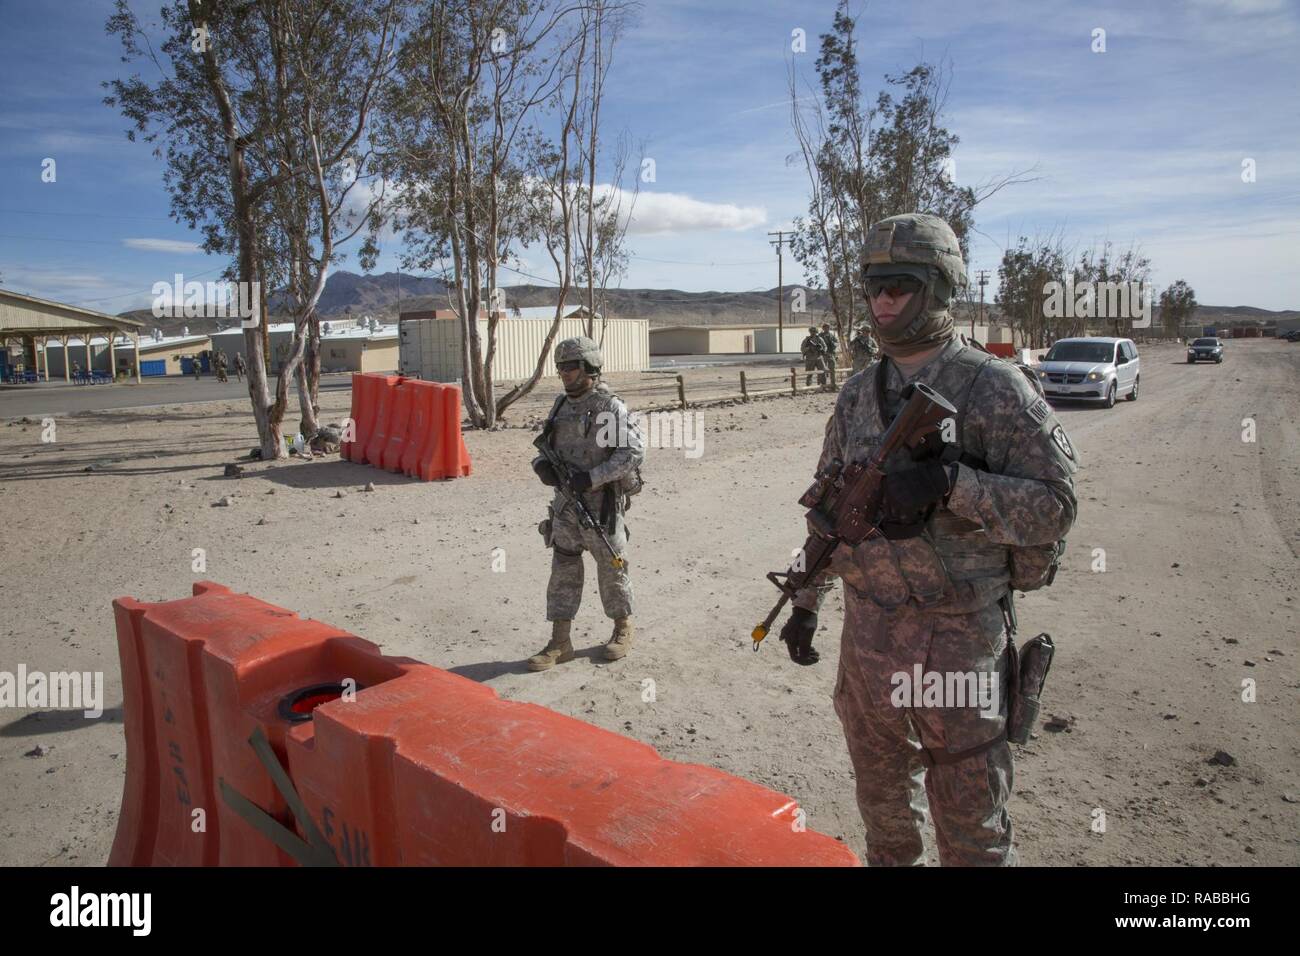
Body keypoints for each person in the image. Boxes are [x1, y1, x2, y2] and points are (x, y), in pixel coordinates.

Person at [778, 213, 1079, 866]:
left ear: (941, 288)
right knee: (886, 824)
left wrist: (952, 484)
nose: (883, 300)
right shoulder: (859, 394)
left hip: (958, 643)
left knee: (972, 836)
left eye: (901, 284)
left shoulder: (992, 387)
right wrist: (805, 603)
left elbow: (1056, 507)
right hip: (867, 643)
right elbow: (832, 509)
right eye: (874, 285)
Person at [528, 336, 644, 671]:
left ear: (590, 367)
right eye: (561, 367)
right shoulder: (561, 405)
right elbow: (544, 447)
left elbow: (633, 452)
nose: (565, 373)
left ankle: (623, 629)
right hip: (566, 505)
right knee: (563, 569)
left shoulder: (609, 406)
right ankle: (560, 641)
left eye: (572, 366)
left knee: (612, 567)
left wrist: (592, 478)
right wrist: (542, 468)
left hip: (601, 505)